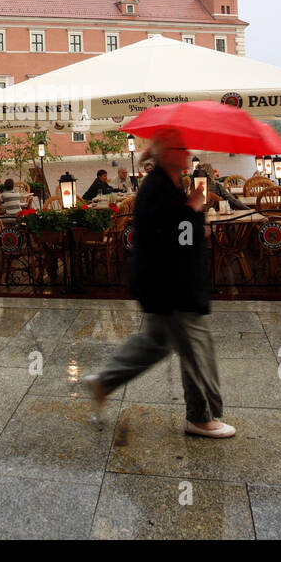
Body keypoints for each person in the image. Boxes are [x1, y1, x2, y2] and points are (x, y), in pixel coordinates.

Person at [82, 127, 234, 438]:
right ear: (165, 153)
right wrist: (192, 211)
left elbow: (176, 234)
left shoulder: (167, 185)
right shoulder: (158, 188)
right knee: (196, 348)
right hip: (172, 285)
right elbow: (174, 239)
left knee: (155, 343)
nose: (187, 153)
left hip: (161, 283)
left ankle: (103, 383)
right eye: (180, 149)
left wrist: (190, 218)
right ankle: (201, 417)